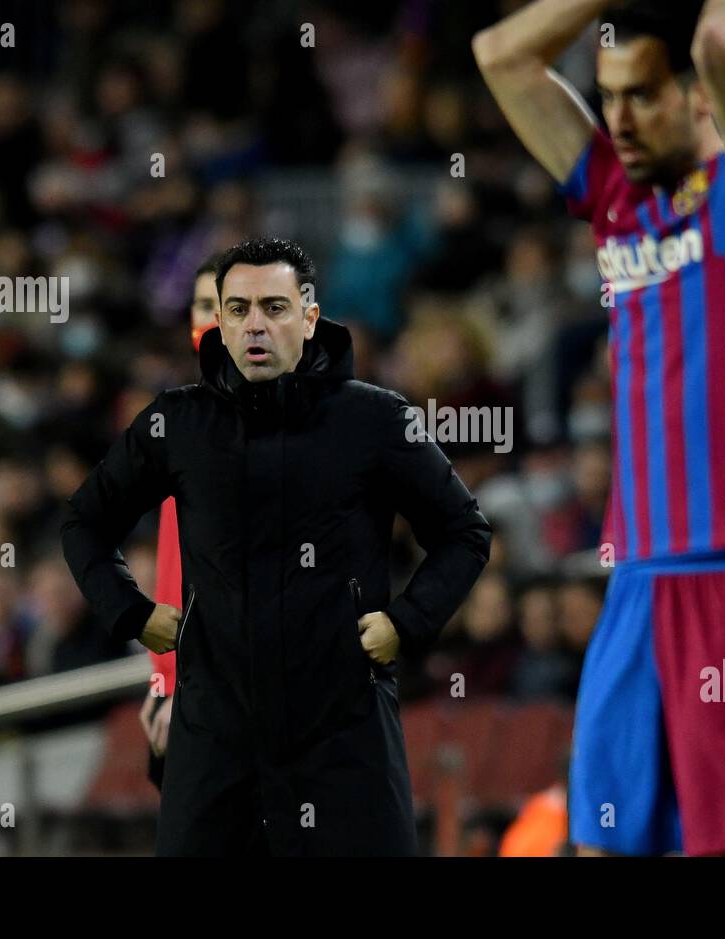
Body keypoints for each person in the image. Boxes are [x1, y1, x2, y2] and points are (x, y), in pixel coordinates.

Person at [474, 0, 725, 855]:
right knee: (605, 842)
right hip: (637, 574)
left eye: (643, 95)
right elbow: (500, 56)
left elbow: (717, 37)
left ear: (702, 96)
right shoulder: (615, 195)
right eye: (608, 99)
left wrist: (718, 42)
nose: (620, 121)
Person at [61, 238, 492, 855]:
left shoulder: (375, 420)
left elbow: (465, 532)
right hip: (215, 739)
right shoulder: (177, 424)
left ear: (310, 318)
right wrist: (132, 612)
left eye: (273, 307)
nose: (253, 325)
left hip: (344, 737)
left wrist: (407, 621)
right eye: (236, 309)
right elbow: (83, 521)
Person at [139, 254, 222, 789]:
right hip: (188, 684)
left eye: (231, 306)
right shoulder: (180, 419)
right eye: (205, 307)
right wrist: (163, 679)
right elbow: (173, 567)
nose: (215, 320)